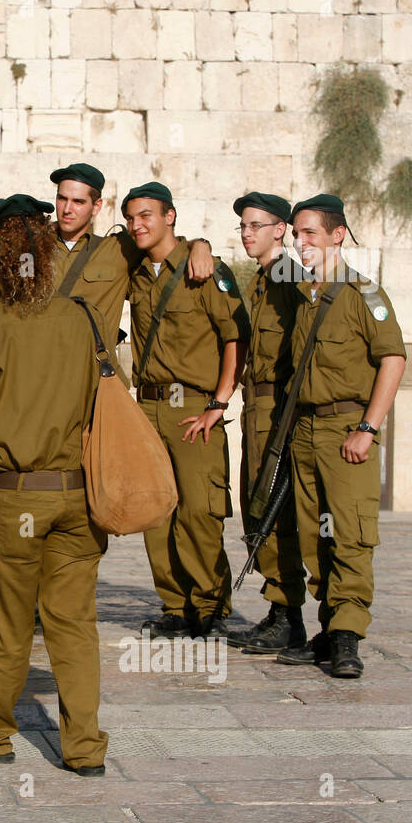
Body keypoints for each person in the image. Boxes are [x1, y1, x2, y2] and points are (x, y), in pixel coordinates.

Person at [0, 193, 108, 775]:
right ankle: (83, 749)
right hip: (78, 496)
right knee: (74, 627)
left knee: (6, 625)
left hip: (16, 498)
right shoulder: (85, 319)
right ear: (50, 253)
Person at [275, 194, 406, 678]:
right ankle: (328, 630)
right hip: (306, 430)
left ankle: (348, 636)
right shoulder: (305, 296)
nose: (300, 241)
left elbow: (393, 359)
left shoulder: (363, 293)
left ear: (338, 234)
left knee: (349, 533)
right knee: (315, 536)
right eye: (296, 233)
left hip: (347, 428)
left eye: (309, 232)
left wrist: (368, 428)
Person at [124, 181, 249, 639]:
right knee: (157, 510)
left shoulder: (205, 269)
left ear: (169, 216)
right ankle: (175, 605)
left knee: (200, 509)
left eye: (147, 216)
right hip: (148, 406)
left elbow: (236, 335)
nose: (138, 225)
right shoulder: (135, 272)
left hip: (193, 406)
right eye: (132, 217)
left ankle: (211, 605)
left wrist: (219, 402)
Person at [226, 192, 309, 653]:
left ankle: (288, 615)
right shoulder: (262, 280)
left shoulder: (288, 278)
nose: (246, 233)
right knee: (259, 506)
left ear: (281, 230)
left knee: (276, 507)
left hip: (279, 408)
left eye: (256, 225)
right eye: (243, 226)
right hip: (256, 407)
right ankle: (280, 610)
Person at [48, 162, 216, 358]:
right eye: (62, 198)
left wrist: (200, 245)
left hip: (95, 377)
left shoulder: (120, 248)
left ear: (96, 206)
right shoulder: (33, 248)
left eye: (78, 201)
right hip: (44, 371)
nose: (67, 209)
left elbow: (165, 245)